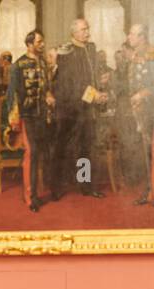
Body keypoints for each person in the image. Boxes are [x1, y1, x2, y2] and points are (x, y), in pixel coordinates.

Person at [52, 19, 108, 201]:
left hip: (86, 108)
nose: (87, 32)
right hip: (68, 108)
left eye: (88, 29)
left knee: (86, 148)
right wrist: (95, 95)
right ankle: (56, 187)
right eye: (84, 29)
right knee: (62, 148)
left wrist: (100, 88)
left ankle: (86, 186)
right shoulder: (66, 52)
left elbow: (90, 77)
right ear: (73, 33)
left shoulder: (90, 48)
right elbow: (70, 85)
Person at [122, 23, 154, 206]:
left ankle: (153, 193)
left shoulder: (153, 54)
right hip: (141, 111)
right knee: (145, 152)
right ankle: (151, 189)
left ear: (142, 36)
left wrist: (142, 94)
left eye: (132, 34)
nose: (129, 37)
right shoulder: (136, 55)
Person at [8, 31, 55, 212]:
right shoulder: (17, 66)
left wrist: (49, 95)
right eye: (39, 42)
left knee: (42, 153)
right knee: (31, 153)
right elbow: (12, 95)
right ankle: (30, 197)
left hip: (43, 115)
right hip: (27, 117)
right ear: (29, 44)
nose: (42, 44)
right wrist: (14, 120)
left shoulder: (43, 63)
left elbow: (47, 87)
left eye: (42, 41)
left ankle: (42, 190)